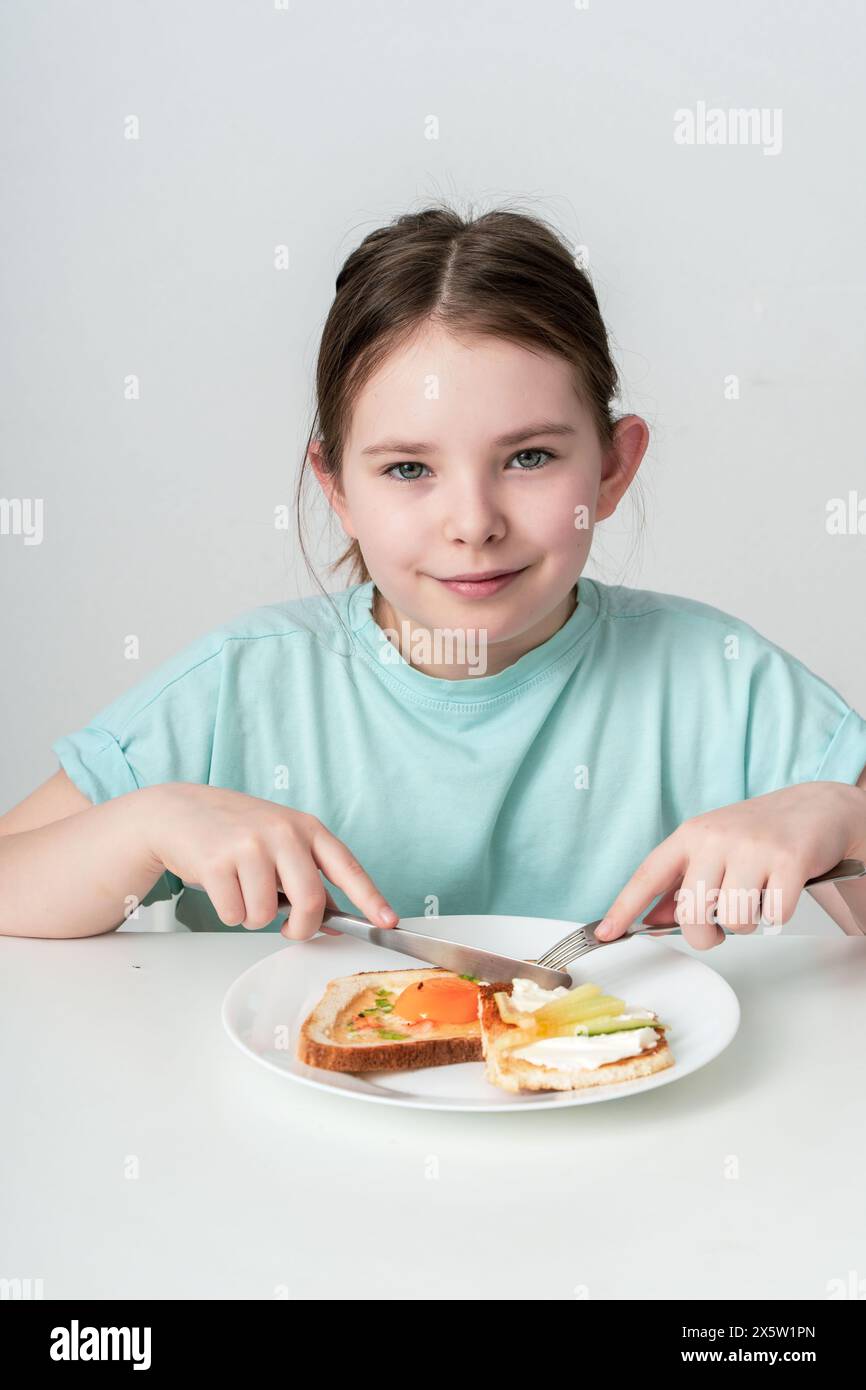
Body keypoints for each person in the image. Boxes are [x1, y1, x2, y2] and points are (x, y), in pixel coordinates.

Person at [3, 204, 866, 947]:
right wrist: (147, 824)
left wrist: (845, 823)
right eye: (409, 470)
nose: (473, 522)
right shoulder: (241, 687)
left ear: (611, 469)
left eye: (528, 457)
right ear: (336, 488)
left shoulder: (721, 683)